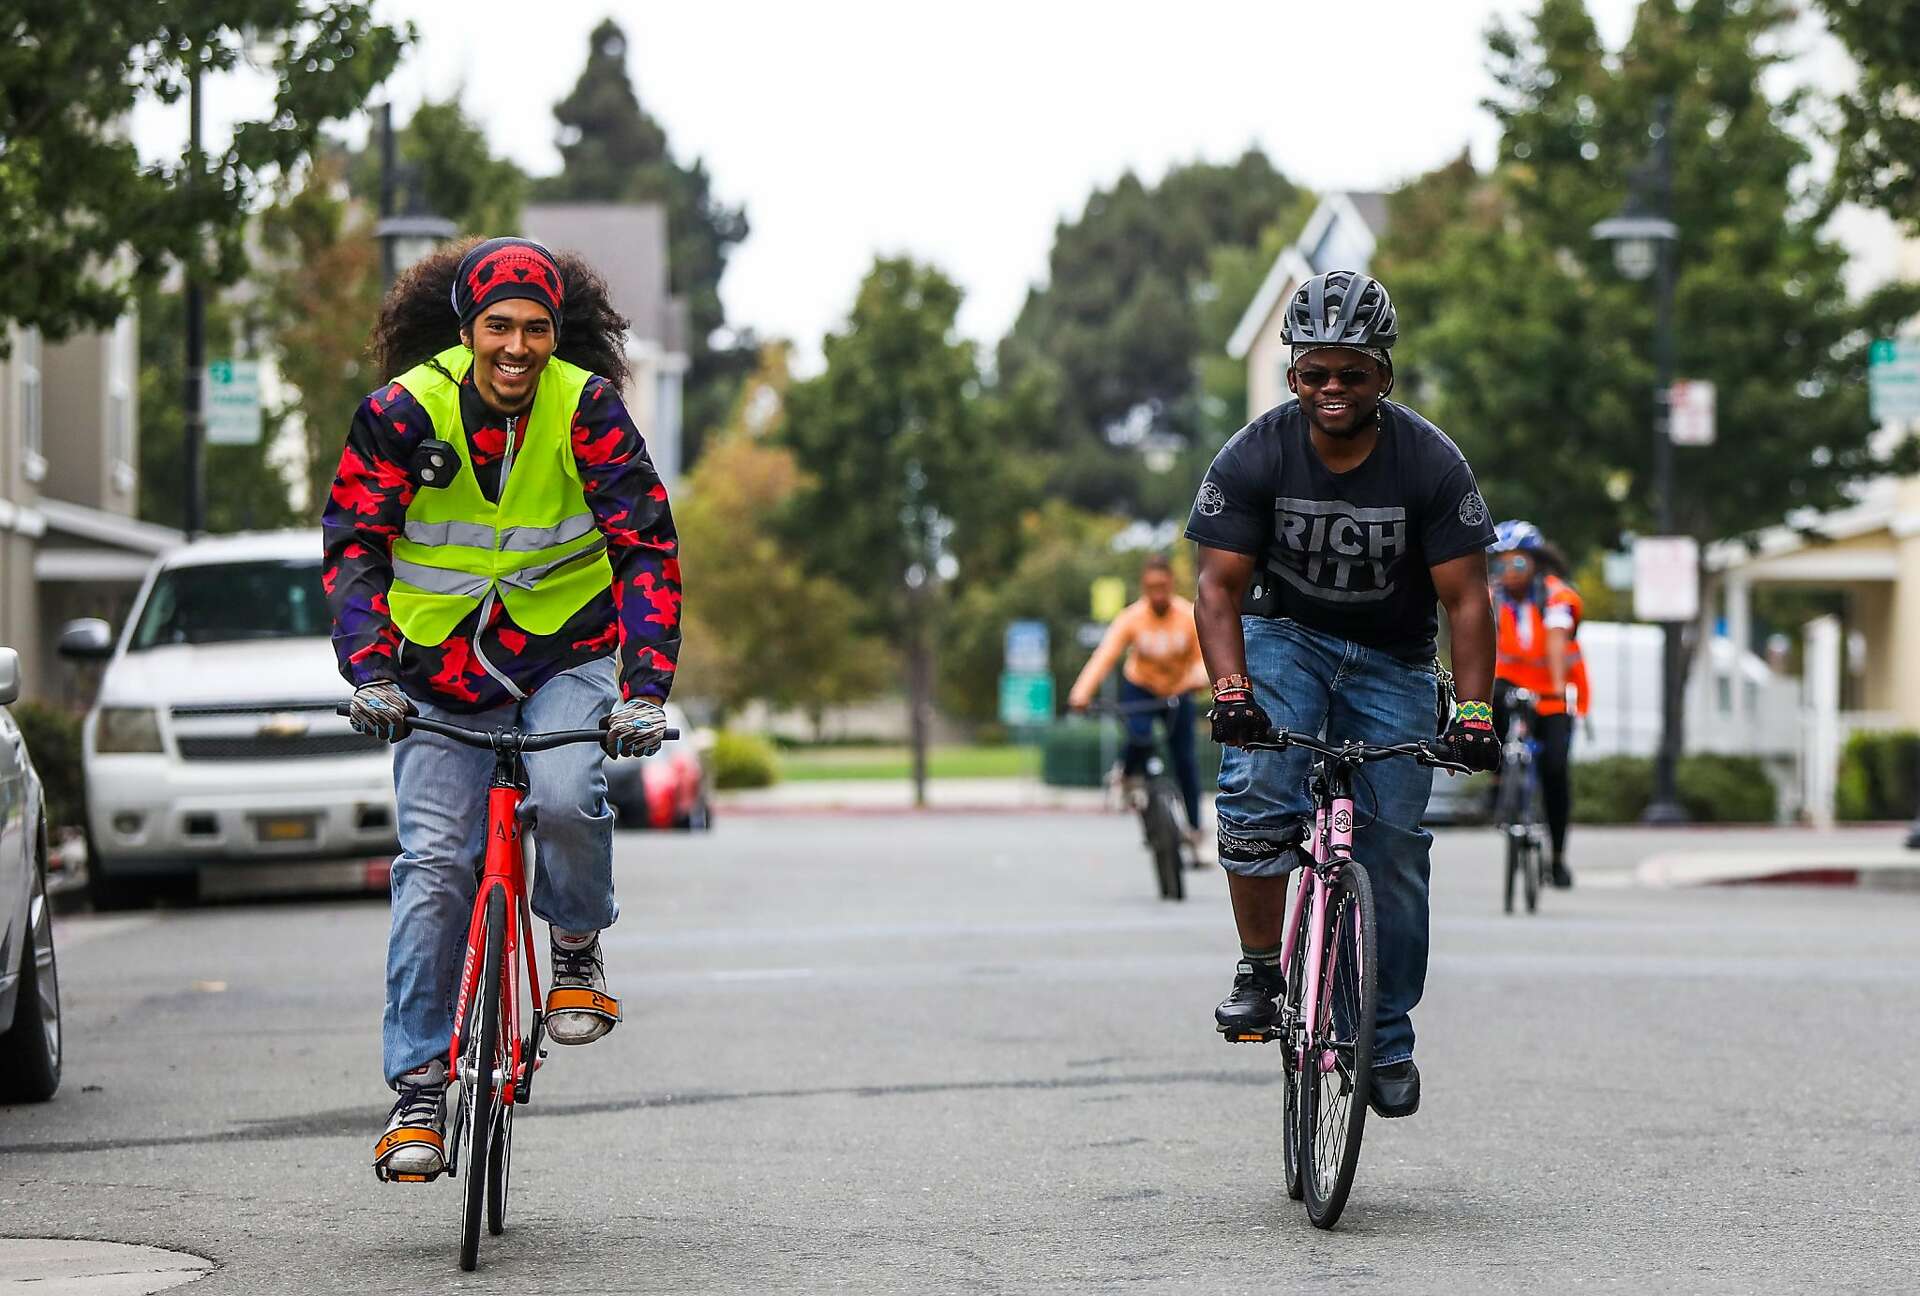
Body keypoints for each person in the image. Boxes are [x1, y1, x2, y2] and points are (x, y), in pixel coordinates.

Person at [323, 237, 682, 1181]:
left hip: (565, 652)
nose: (516, 346)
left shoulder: (588, 410)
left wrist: (643, 691)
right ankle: (415, 1097)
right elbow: (355, 544)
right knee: (435, 867)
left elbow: (645, 547)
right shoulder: (403, 413)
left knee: (567, 794)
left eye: (535, 329)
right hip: (435, 675)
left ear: (556, 336)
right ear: (467, 329)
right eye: (499, 327)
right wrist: (369, 672)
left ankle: (573, 947)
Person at [1185, 270, 1500, 1120]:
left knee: (1393, 846)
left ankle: (1385, 1034)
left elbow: (1468, 598)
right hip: (1284, 638)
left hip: (1395, 659)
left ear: (1383, 377)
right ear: (1293, 375)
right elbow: (1216, 590)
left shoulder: (1429, 463)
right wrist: (1232, 691)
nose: (1332, 390)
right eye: (1314, 373)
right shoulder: (1254, 455)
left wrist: (1474, 714)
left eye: (1351, 375)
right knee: (1255, 789)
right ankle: (1260, 970)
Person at [1066, 554, 1211, 858]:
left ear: (1171, 583)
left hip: (1178, 691)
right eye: (1151, 586)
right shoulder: (1132, 618)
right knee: (1138, 736)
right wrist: (1081, 693)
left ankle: (1195, 833)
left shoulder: (1187, 616)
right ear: (1144, 586)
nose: (1157, 591)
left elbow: (1203, 657)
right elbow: (1105, 656)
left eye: (1163, 584)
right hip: (1141, 688)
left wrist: (1198, 679)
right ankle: (1128, 774)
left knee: (1185, 760)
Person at [1488, 519, 1587, 888]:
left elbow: (1558, 640)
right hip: (1508, 685)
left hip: (1554, 691)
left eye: (1517, 565)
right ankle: (1498, 779)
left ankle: (1558, 858)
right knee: (1489, 701)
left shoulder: (1556, 596)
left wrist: (1559, 689)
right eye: (1500, 565)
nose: (1508, 573)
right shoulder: (1492, 597)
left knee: (1556, 771)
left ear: (1535, 562)